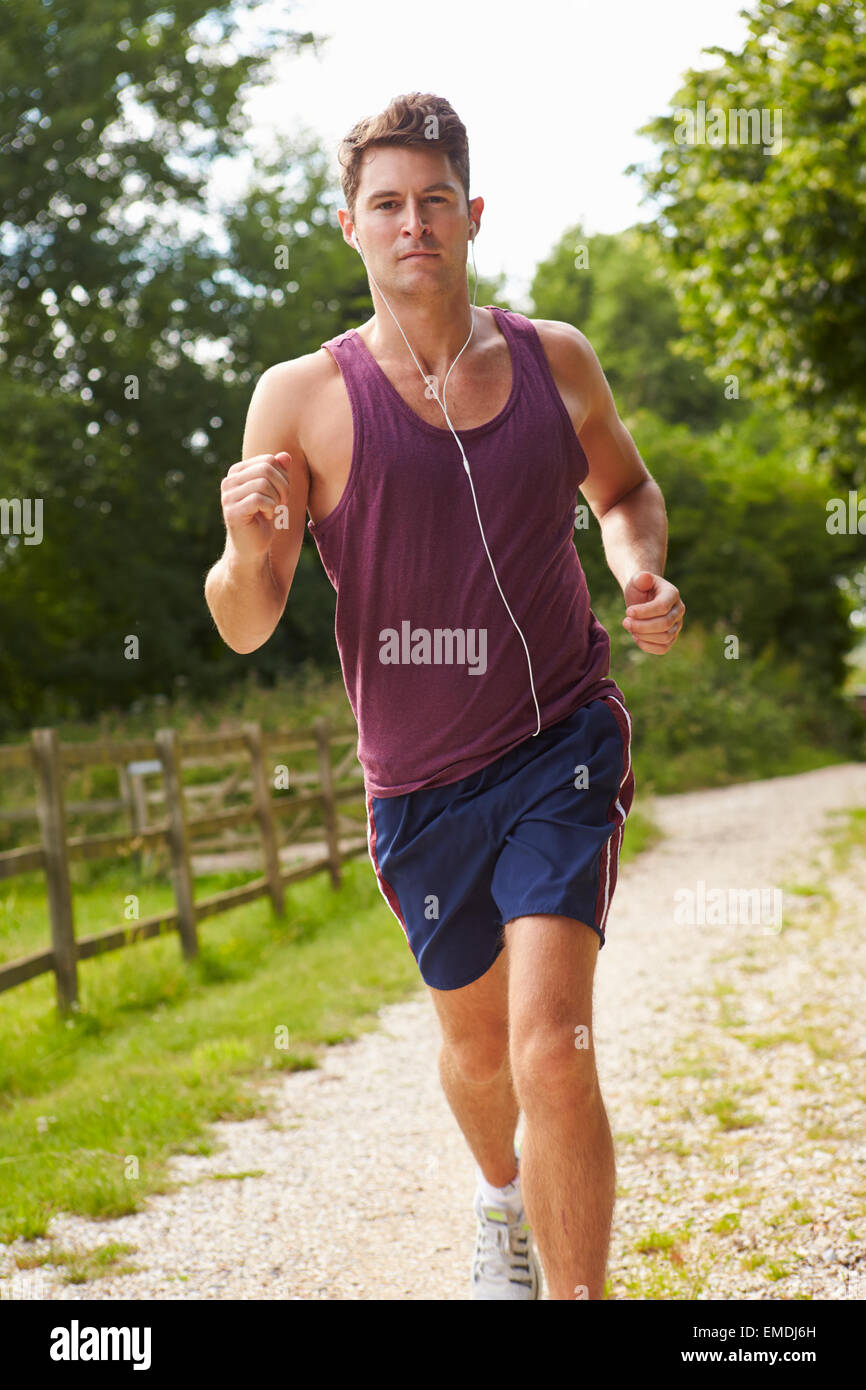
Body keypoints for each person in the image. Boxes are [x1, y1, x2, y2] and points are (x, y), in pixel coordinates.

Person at [204, 92, 685, 1301]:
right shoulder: (298, 400)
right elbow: (247, 619)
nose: (410, 223)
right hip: (417, 788)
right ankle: (500, 1198)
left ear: (470, 216)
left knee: (550, 1047)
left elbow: (624, 491)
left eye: (432, 201)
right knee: (477, 1056)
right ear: (349, 226)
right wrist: (242, 547)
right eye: (386, 204)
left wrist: (637, 569)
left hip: (560, 740)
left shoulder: (553, 358)